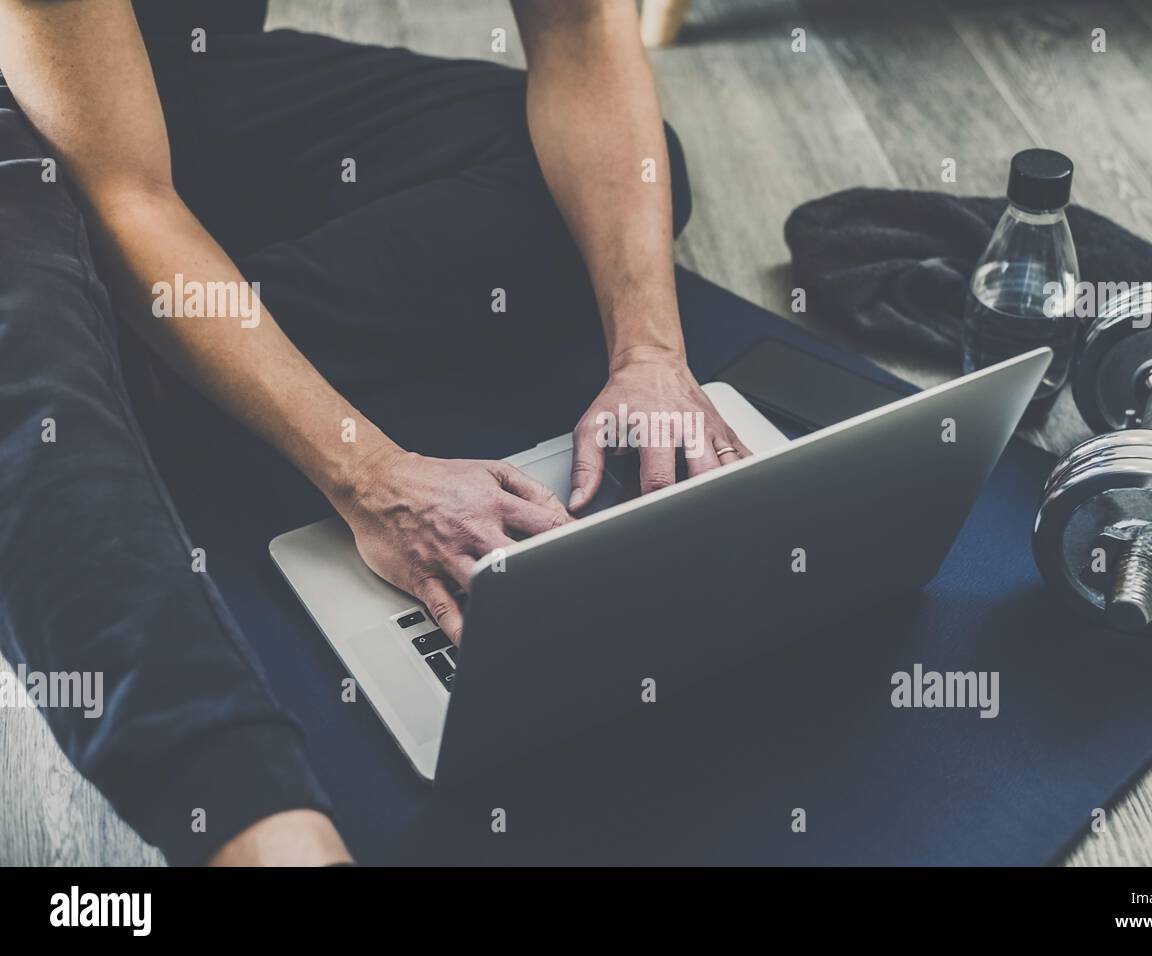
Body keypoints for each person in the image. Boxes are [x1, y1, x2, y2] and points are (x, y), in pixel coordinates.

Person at [0, 0, 750, 865]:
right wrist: (371, 473)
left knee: (601, 173)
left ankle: (131, 359)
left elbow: (581, 31)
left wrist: (651, 352)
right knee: (35, 396)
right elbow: (125, 194)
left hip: (156, 72)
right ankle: (268, 837)